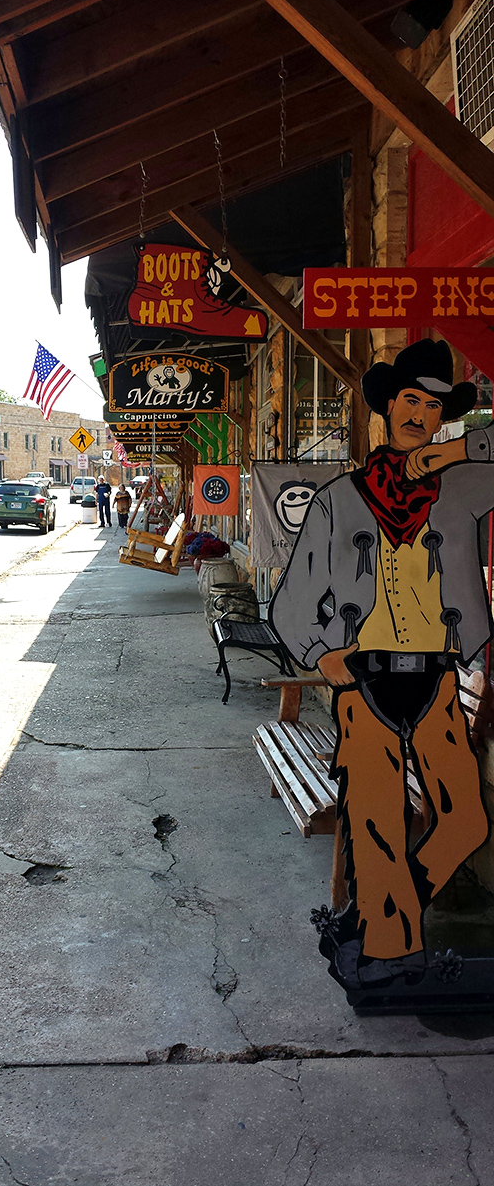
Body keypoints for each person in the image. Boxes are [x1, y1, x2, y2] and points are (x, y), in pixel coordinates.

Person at [270, 338, 491, 991]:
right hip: (364, 681)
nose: (420, 412)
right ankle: (390, 956)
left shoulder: (459, 492)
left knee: (465, 817)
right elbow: (293, 604)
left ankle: (372, 919)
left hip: (439, 678)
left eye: (433, 405)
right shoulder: (341, 499)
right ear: (387, 408)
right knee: (375, 821)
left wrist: (445, 453)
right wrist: (321, 654)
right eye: (410, 400)